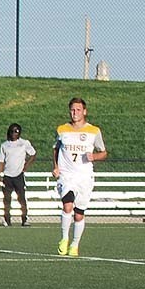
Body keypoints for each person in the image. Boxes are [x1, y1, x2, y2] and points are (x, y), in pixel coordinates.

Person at [54, 97, 106, 257]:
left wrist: (95, 157)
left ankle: (75, 245)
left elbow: (104, 152)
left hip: (84, 177)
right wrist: (55, 167)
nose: (74, 113)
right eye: (72, 110)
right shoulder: (62, 129)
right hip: (67, 175)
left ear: (84, 111)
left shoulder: (94, 131)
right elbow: (56, 148)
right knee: (67, 205)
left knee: (78, 213)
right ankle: (64, 239)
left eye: (78, 110)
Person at [0, 123, 37, 227]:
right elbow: (1, 161)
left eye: (16, 131)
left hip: (18, 175)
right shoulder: (4, 145)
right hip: (7, 176)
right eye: (12, 131)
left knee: (21, 198)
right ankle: (7, 219)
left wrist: (26, 166)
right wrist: (0, 175)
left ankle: (24, 218)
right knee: (7, 199)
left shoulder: (24, 143)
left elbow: (33, 154)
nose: (14, 133)